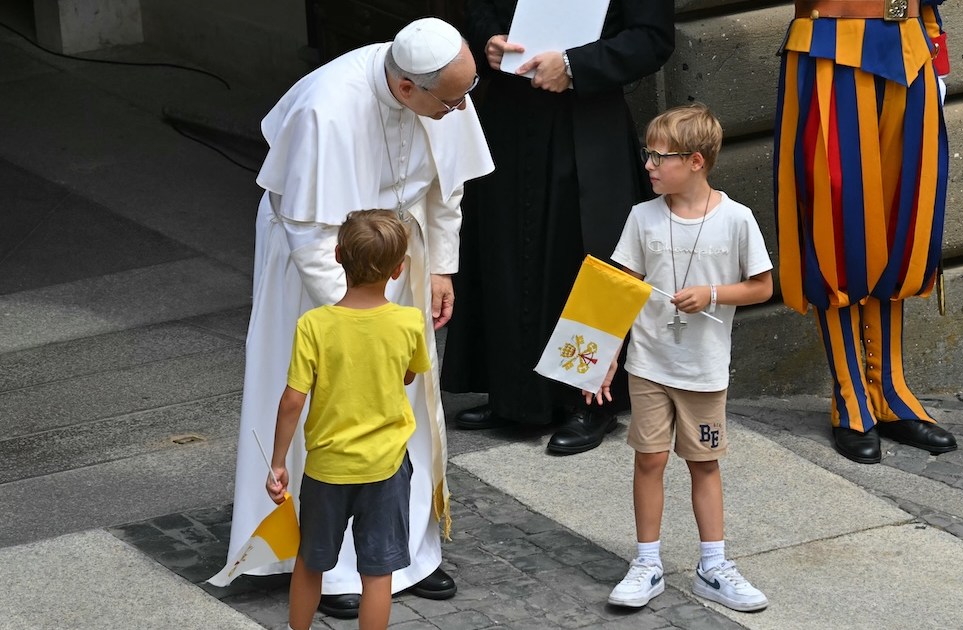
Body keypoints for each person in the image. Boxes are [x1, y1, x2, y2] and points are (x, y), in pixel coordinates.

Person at [227, 17, 494, 619]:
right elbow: (308, 228)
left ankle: (406, 554)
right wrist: (351, 319)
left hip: (396, 257)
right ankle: (333, 565)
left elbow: (446, 189)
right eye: (451, 101)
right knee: (333, 407)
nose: (461, 110)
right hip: (325, 269)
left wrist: (443, 267)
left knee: (406, 405)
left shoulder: (444, 91)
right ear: (407, 91)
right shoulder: (327, 108)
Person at [442, 0, 675, 454]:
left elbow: (652, 37)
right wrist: (489, 45)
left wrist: (575, 65)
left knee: (588, 253)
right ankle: (512, 393)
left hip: (588, 115)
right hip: (511, 115)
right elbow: (480, 7)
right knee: (504, 245)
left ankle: (588, 398)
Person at [596, 104, 773, 612]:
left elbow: (763, 286)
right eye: (647, 154)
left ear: (696, 161)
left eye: (659, 156)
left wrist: (713, 294)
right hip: (649, 364)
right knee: (648, 459)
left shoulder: (737, 219)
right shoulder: (642, 216)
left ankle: (713, 565)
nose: (648, 164)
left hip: (703, 369)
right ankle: (647, 562)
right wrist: (607, 353)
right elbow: (621, 285)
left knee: (704, 463)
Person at [774, 0, 958, 464]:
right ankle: (851, 393)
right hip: (829, 49)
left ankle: (890, 390)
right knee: (835, 224)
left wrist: (935, 50)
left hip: (910, 44)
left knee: (903, 218)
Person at [266, 210, 429, 630]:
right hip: (386, 467)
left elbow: (291, 400)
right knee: (377, 573)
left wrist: (278, 462)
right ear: (398, 270)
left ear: (337, 256)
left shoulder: (314, 325)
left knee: (311, 561)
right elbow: (408, 374)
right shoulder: (409, 322)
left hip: (327, 468)